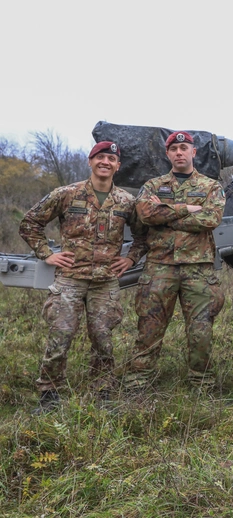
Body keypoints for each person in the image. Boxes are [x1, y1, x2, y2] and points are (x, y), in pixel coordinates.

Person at [20, 141, 148, 414]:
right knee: (60, 337)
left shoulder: (126, 201)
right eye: (100, 157)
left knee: (103, 340)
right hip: (70, 278)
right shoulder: (66, 194)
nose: (105, 162)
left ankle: (103, 391)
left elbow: (143, 236)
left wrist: (131, 258)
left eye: (111, 159)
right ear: (90, 162)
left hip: (105, 281)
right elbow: (30, 222)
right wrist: (46, 254)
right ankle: (49, 393)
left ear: (118, 166)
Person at [122, 131, 225, 393]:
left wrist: (165, 213)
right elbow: (145, 213)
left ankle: (201, 384)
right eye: (174, 148)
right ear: (167, 154)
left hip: (198, 270)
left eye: (184, 147)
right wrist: (189, 208)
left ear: (194, 153)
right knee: (149, 327)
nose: (179, 152)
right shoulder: (153, 186)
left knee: (201, 331)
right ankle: (138, 382)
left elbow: (211, 219)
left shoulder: (211, 186)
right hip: (160, 267)